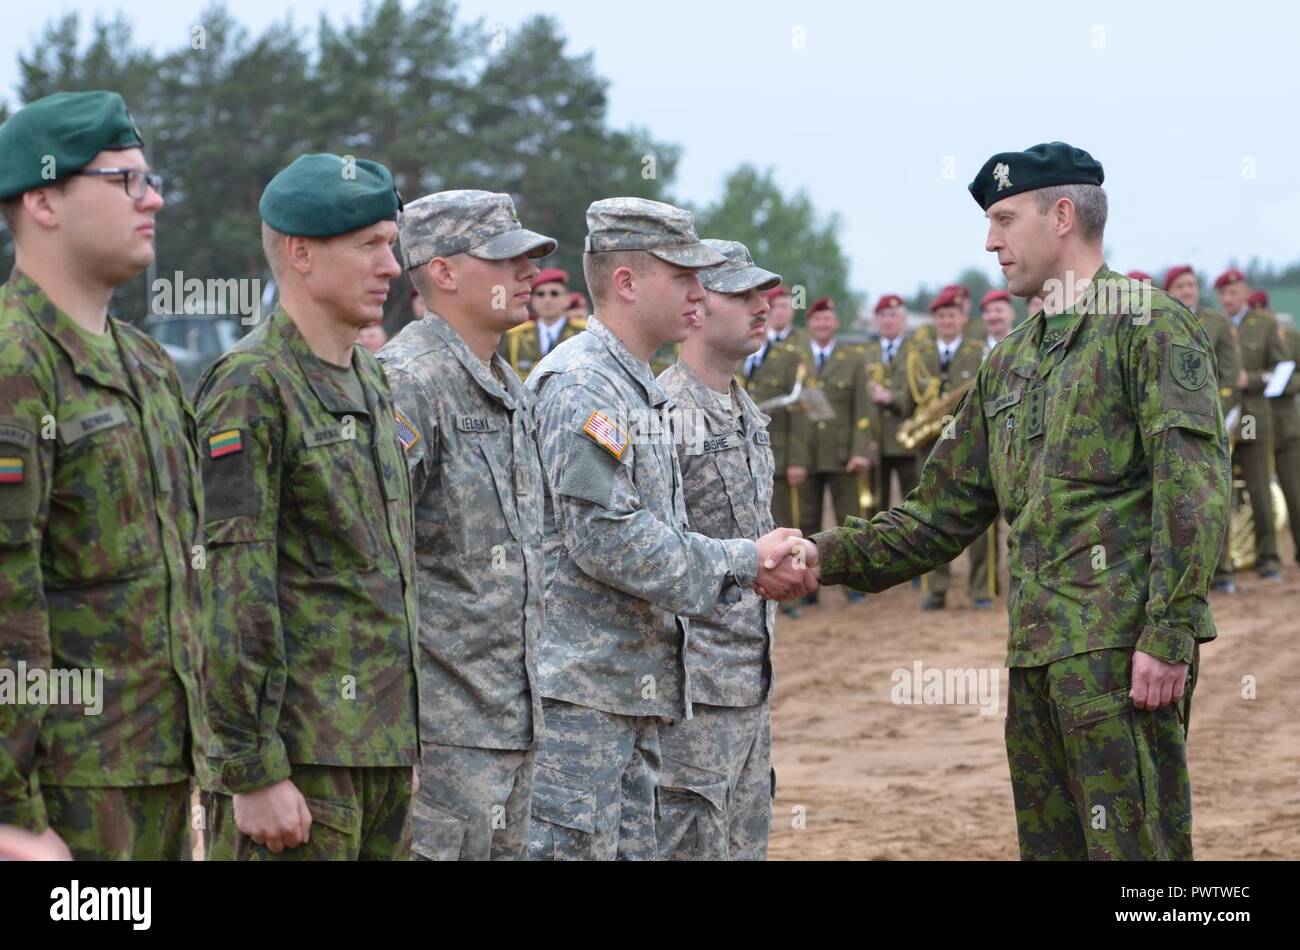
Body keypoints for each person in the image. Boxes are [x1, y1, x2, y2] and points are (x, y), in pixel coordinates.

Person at [800, 142, 1229, 860]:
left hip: (1121, 656)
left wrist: (1169, 633)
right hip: (1034, 658)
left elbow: (1193, 489)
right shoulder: (1009, 360)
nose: (990, 242)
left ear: (1061, 216)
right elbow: (938, 513)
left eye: (1003, 220)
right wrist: (820, 555)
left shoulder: (1148, 326)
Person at [525, 197, 814, 861]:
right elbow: (606, 538)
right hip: (585, 700)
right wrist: (744, 561)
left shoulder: (635, 391)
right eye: (683, 276)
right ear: (627, 282)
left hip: (635, 693)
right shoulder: (582, 385)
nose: (697, 292)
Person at [0, 91, 207, 860]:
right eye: (125, 181)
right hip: (58, 802)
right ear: (43, 200)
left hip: (159, 778)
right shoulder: (15, 361)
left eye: (151, 180)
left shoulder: (146, 364)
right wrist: (11, 814)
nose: (152, 199)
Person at [196, 153, 421, 860]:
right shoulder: (253, 385)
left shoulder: (370, 379)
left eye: (391, 244)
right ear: (301, 253)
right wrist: (251, 769)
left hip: (376, 754)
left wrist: (400, 741)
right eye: (369, 245)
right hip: (298, 764)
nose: (391, 267)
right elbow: (231, 586)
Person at [378, 190, 555, 860]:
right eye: (505, 258)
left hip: (512, 723)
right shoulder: (409, 381)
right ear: (444, 272)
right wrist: (392, 733)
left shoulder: (506, 385)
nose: (528, 272)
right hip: (440, 737)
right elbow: (374, 564)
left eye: (528, 257)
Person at [656, 239, 781, 860]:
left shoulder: (746, 413)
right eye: (742, 294)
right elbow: (649, 551)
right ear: (697, 305)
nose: (763, 306)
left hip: (751, 682)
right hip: (691, 695)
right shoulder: (662, 413)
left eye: (764, 293)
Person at [911, 287, 989, 609]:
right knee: (929, 515)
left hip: (969, 444)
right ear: (934, 320)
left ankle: (981, 590)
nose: (946, 321)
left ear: (962, 318)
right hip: (929, 445)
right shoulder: (920, 355)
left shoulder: (978, 351)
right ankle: (934, 591)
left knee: (979, 515)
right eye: (941, 316)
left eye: (952, 315)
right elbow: (908, 399)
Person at [792, 296, 873, 606]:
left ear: (836, 323)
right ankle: (803, 585)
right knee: (803, 523)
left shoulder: (853, 359)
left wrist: (860, 451)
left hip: (843, 456)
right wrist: (793, 457)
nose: (822, 324)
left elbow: (862, 410)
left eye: (827, 318)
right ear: (809, 324)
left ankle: (855, 584)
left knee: (849, 522)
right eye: (817, 319)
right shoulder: (795, 359)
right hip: (806, 455)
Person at [741, 284, 809, 618]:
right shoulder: (740, 355)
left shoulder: (789, 358)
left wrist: (797, 459)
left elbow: (800, 412)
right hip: (744, 456)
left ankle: (792, 593)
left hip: (779, 454)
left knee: (787, 524)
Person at [1215, 268, 1284, 580]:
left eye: (1233, 292)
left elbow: (1282, 370)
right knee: (1224, 493)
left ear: (1244, 292)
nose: (1228, 299)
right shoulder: (1216, 325)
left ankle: (1268, 560)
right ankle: (1224, 566)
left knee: (1259, 488)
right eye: (1223, 294)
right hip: (1223, 418)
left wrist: (1252, 379)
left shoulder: (1264, 325)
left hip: (1252, 417)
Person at [863, 294, 918, 517]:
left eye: (894, 315)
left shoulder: (917, 351)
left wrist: (892, 398)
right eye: (883, 315)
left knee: (913, 502)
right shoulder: (865, 352)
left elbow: (923, 393)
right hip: (875, 442)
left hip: (908, 440)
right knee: (874, 505)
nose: (888, 320)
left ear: (904, 319)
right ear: (876, 320)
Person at [499, 266, 585, 379]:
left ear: (567, 299)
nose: (547, 299)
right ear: (532, 300)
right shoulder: (515, 335)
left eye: (554, 293)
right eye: (540, 294)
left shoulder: (583, 333)